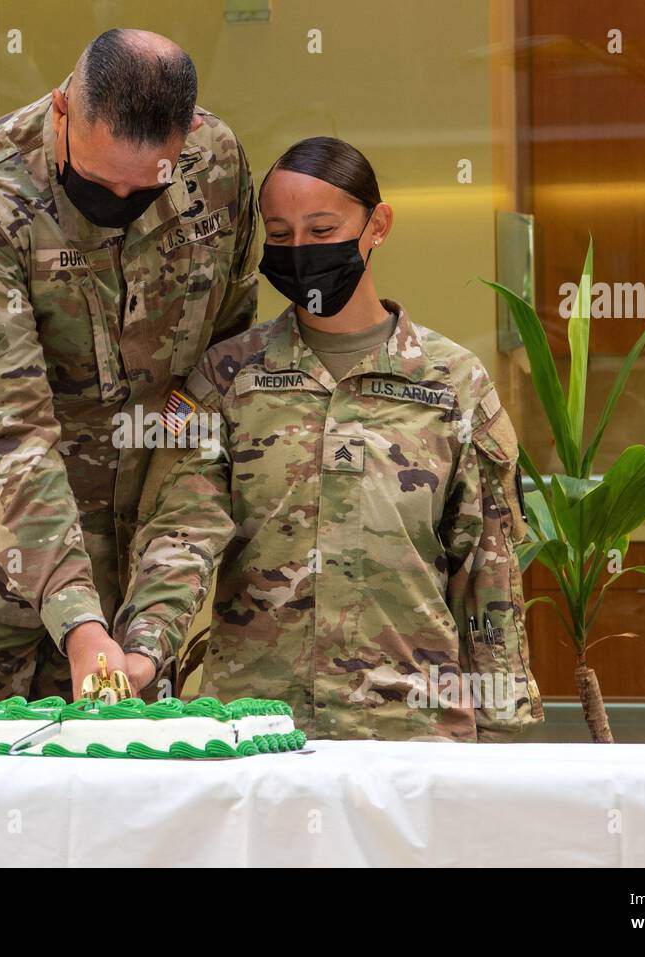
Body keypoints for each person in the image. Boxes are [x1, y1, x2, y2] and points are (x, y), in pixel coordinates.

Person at [0, 30, 258, 705]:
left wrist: (153, 621)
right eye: (98, 185)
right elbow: (2, 432)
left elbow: (206, 400)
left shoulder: (215, 170)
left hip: (125, 592)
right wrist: (80, 625)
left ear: (189, 133)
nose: (118, 206)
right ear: (62, 109)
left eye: (143, 190)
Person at [113, 136, 544, 741]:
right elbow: (181, 536)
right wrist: (143, 654)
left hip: (412, 729)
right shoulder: (227, 377)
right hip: (257, 726)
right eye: (281, 235)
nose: (301, 252)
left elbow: (488, 570)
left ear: (378, 225)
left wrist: (499, 728)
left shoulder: (454, 384)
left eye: (321, 231)